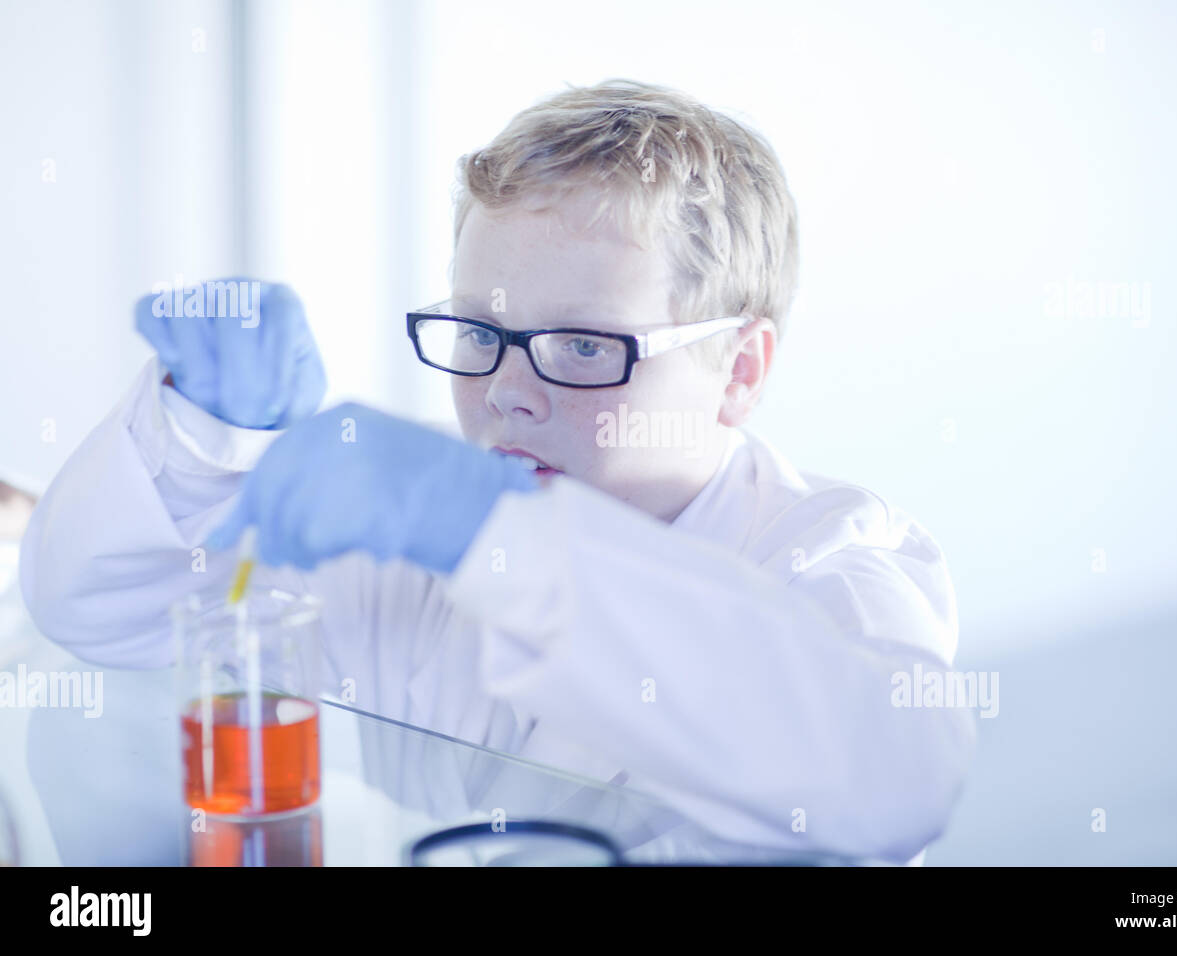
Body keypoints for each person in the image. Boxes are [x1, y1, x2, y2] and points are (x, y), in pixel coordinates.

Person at [19, 79, 975, 863]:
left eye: (583, 346)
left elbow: (898, 780)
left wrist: (493, 530)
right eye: (481, 332)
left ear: (740, 369)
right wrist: (205, 432)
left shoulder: (832, 558)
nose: (508, 393)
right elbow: (107, 615)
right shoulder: (418, 525)